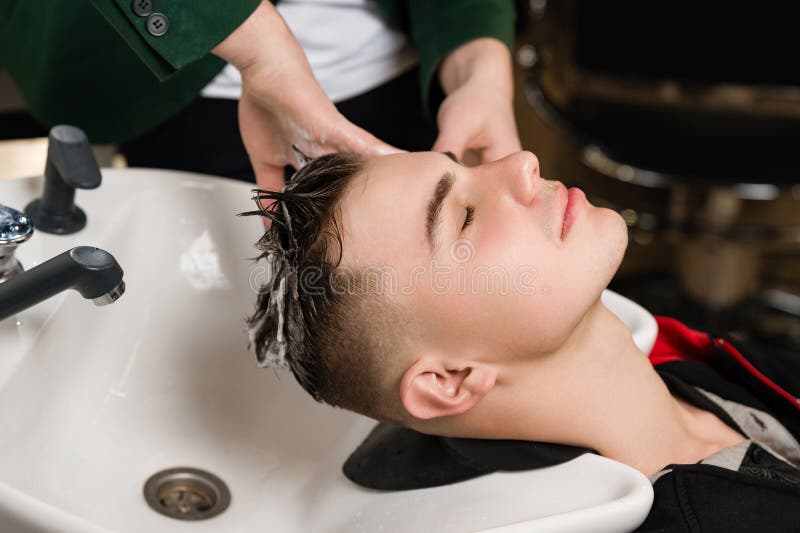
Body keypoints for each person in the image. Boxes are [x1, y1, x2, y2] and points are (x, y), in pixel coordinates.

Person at [243, 150, 800, 531]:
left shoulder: (697, 365)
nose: (521, 163)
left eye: (466, 167)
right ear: (449, 380)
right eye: (464, 216)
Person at [0, 0, 520, 190]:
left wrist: (478, 63)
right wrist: (260, 52)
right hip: (177, 80)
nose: (528, 172)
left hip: (400, 69)